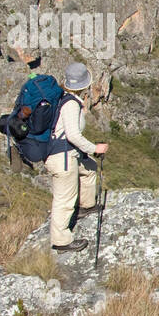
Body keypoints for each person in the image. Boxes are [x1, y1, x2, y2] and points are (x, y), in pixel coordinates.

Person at [47, 62, 108, 252]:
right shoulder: (71, 105)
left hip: (67, 152)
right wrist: (94, 148)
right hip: (62, 157)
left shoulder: (64, 99)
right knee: (65, 198)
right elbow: (73, 135)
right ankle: (61, 240)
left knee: (89, 167)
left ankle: (86, 205)